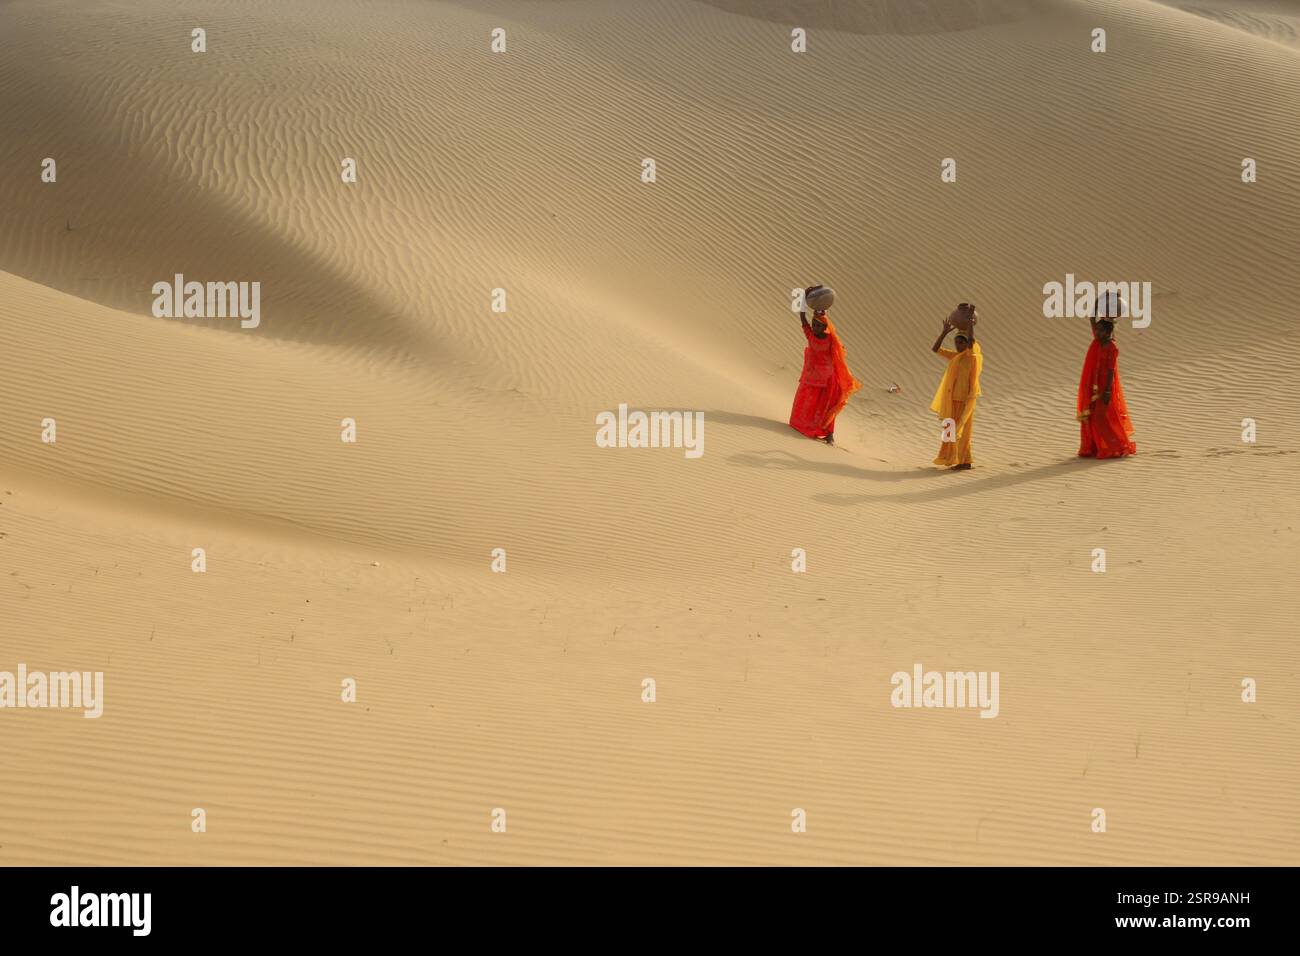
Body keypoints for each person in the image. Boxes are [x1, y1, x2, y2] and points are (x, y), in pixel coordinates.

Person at [789, 285, 861, 445]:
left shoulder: (830, 340)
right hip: (812, 376)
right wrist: (805, 300)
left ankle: (829, 434)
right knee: (808, 402)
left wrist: (810, 304)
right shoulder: (812, 336)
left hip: (826, 379)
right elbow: (802, 319)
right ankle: (805, 427)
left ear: (825, 327)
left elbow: (840, 352)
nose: (814, 327)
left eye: (818, 325)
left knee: (826, 406)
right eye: (814, 325)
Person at [1077, 291, 1136, 458]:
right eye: (1097, 329)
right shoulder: (1097, 340)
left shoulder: (1111, 347)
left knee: (1102, 418)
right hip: (1092, 383)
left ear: (1108, 332)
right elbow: (1091, 317)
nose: (1098, 332)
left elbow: (1111, 370)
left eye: (1101, 330)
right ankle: (1095, 447)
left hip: (1105, 386)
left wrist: (1108, 391)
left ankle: (1115, 446)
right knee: (1093, 416)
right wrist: (1099, 300)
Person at [929, 303, 983, 470]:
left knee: (962, 431)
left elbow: (971, 341)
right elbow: (935, 349)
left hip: (965, 400)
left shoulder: (970, 355)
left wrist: (970, 326)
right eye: (957, 343)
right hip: (952, 400)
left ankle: (964, 461)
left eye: (961, 343)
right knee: (949, 430)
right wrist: (944, 332)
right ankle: (950, 458)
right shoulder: (955, 357)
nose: (958, 346)